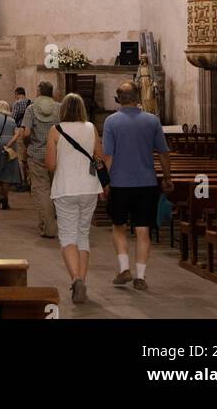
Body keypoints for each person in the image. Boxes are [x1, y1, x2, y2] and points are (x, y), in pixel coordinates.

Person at [102, 81, 173, 292]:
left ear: (118, 99)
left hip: (120, 183)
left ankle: (124, 269)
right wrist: (167, 177)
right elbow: (163, 152)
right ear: (137, 96)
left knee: (119, 226)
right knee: (143, 230)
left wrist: (105, 182)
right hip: (147, 183)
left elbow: (108, 155)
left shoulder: (111, 122)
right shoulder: (152, 121)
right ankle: (140, 277)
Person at [46, 92, 104, 304]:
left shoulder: (55, 130)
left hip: (66, 188)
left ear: (63, 110)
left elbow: (50, 164)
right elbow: (100, 156)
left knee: (68, 236)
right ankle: (82, 280)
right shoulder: (91, 128)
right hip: (89, 188)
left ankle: (76, 279)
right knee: (82, 234)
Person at [22, 81, 61, 238]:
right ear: (51, 92)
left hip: (37, 154)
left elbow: (25, 133)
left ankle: (49, 228)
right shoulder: (59, 107)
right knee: (57, 190)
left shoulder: (31, 109)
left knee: (42, 191)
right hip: (57, 154)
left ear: (38, 92)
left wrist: (28, 145)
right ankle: (58, 226)